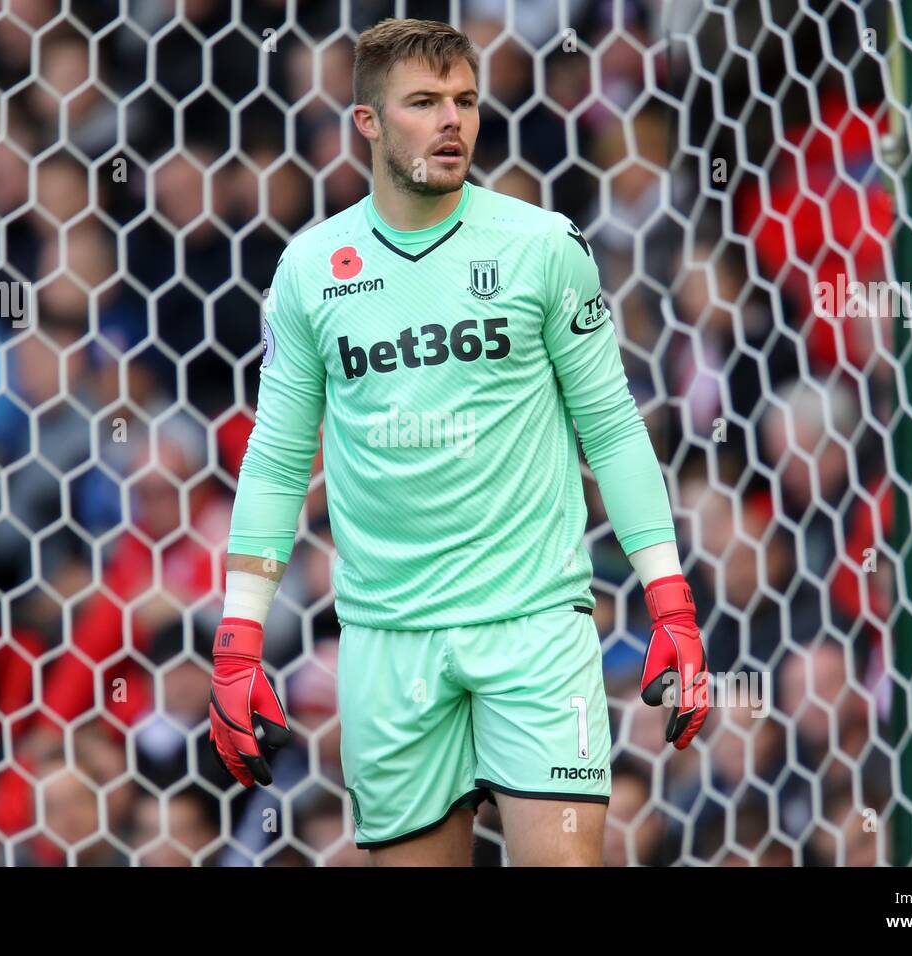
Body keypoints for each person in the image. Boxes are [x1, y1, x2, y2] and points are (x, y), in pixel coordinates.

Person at [207, 17, 708, 866]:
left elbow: (612, 425)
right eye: (425, 102)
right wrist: (239, 638)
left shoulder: (542, 247)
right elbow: (280, 457)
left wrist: (670, 597)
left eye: (466, 101)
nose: (453, 121)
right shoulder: (309, 270)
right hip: (387, 640)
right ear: (367, 122)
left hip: (534, 625)